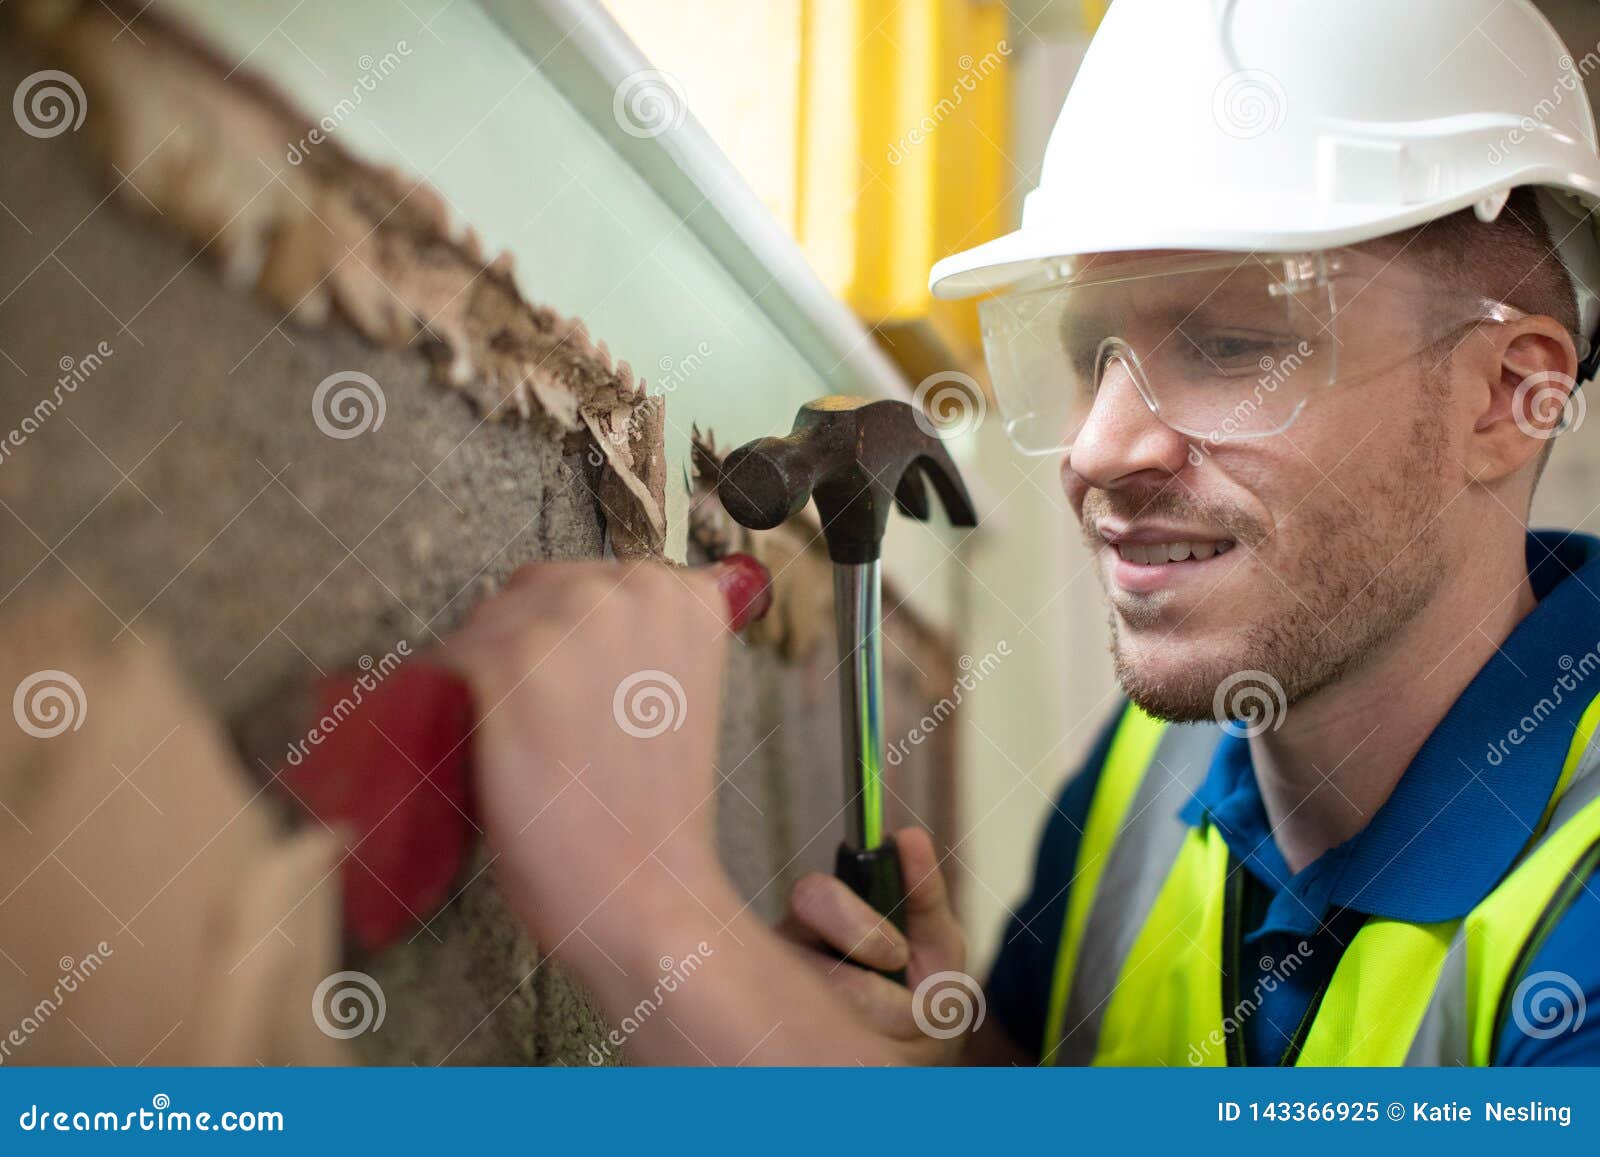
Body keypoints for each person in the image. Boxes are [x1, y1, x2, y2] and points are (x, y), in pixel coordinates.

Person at [450, 0, 1600, 1064]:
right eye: (1087, 353)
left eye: (1232, 347)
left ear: (1508, 396)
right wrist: (959, 1056)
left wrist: (647, 909)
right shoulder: (1153, 772)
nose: (1101, 447)